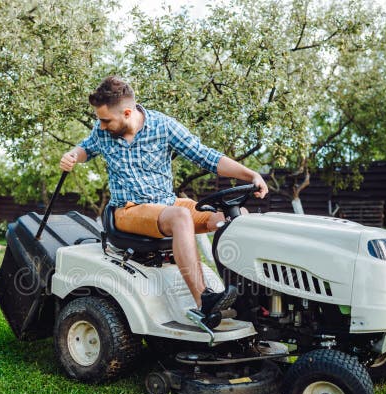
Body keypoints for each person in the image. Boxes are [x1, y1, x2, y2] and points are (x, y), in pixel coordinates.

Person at [60, 76, 268, 325]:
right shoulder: (102, 132)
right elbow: (85, 148)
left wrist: (251, 174)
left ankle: (249, 300)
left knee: (237, 217)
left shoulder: (163, 126)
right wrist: (72, 155)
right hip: (128, 210)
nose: (101, 126)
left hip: (167, 204)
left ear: (127, 112)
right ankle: (204, 300)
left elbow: (206, 157)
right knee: (180, 217)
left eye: (106, 120)